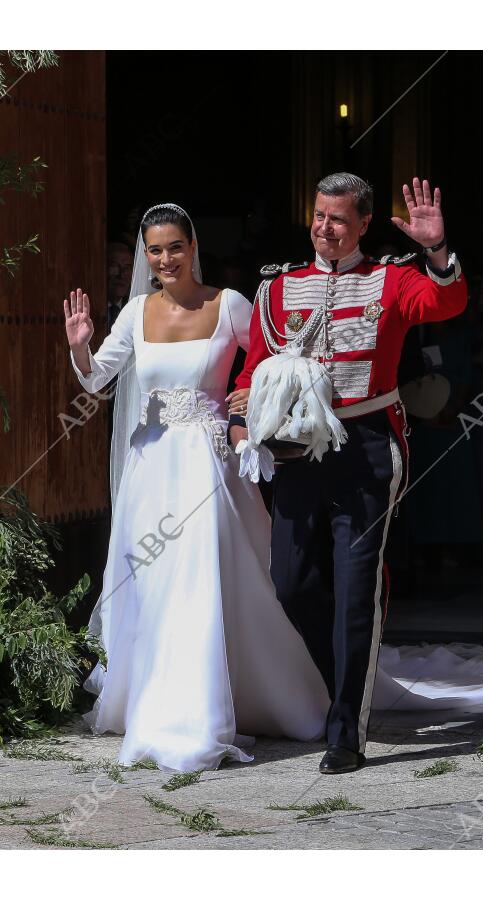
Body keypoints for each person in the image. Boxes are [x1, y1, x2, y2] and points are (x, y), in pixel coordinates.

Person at [64, 203, 329, 773]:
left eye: (174, 248)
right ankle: (155, 699)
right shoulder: (136, 313)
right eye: (155, 250)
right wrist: (81, 344)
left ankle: (206, 708)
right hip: (151, 466)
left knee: (205, 579)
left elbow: (271, 361)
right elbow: (95, 379)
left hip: (209, 464)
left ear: (193, 247)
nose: (164, 259)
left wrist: (249, 397)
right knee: (156, 580)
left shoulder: (228, 303)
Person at [229, 173, 469, 774]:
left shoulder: (392, 280)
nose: (324, 227)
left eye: (338, 219)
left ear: (363, 224)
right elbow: (250, 374)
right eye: (318, 215)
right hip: (296, 453)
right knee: (291, 581)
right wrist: (239, 430)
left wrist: (436, 249)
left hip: (364, 448)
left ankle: (345, 733)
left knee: (356, 591)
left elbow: (448, 301)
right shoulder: (278, 289)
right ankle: (345, 682)